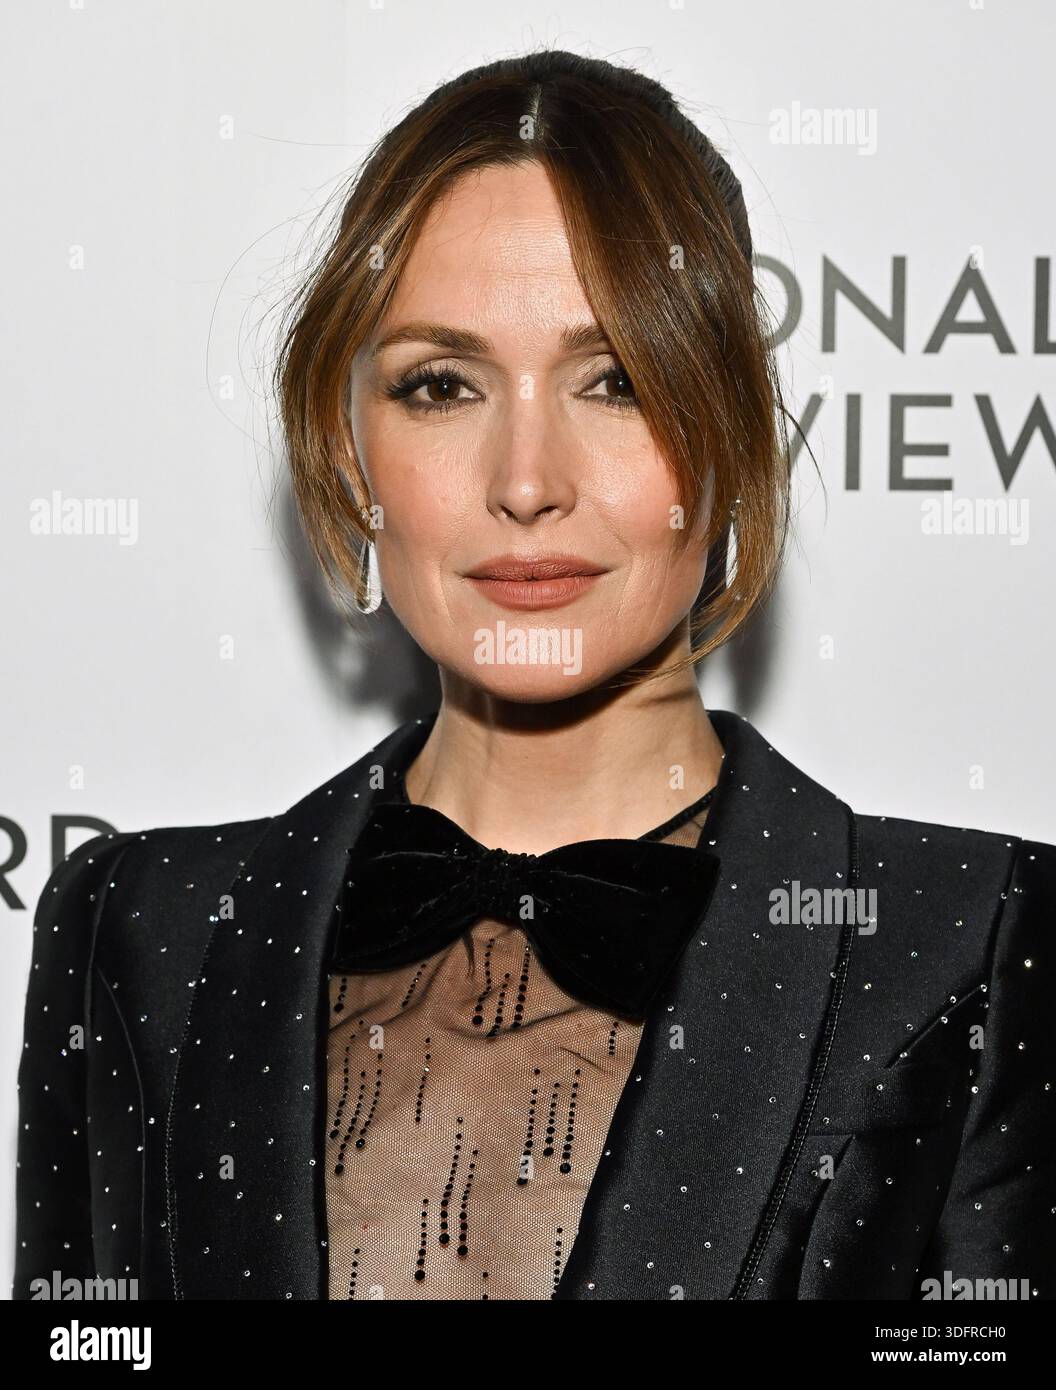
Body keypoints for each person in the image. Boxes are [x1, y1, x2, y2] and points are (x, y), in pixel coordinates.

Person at [14, 49, 1055, 1303]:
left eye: (614, 380)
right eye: (440, 385)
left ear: (727, 437)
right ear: (350, 459)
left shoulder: (964, 941)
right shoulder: (142, 928)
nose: (525, 480)